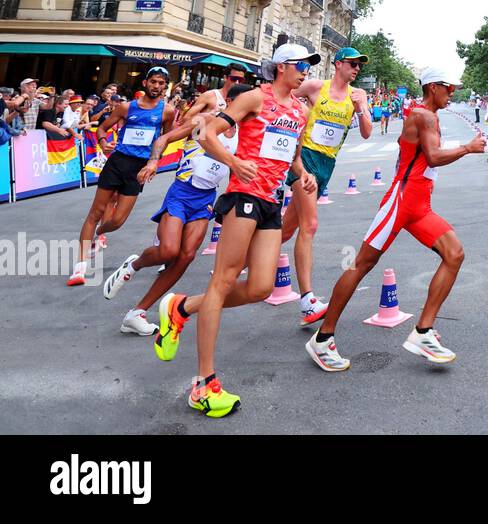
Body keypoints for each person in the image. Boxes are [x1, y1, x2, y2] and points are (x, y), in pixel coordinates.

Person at [152, 44, 316, 418]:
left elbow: (290, 154)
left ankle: (181, 307)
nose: (306, 71)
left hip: (272, 202)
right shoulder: (254, 98)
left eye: (308, 66)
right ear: (281, 67)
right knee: (223, 281)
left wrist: (302, 175)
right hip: (243, 196)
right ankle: (204, 384)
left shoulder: (299, 110)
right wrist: (234, 161)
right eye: (301, 65)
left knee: (260, 286)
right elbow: (205, 132)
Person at [306, 67, 485, 372]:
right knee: (362, 263)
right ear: (432, 87)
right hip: (401, 201)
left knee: (454, 254)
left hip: (419, 205)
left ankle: (424, 332)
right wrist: (468, 148)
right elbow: (433, 157)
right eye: (448, 88)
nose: (452, 93)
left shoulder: (431, 114)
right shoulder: (424, 115)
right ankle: (322, 339)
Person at [102, 75, 254, 335]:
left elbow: (233, 169)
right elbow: (163, 140)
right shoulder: (204, 122)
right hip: (181, 194)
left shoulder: (242, 133)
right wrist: (152, 163)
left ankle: (137, 312)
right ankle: (134, 265)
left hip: (205, 199)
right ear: (229, 102)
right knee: (169, 251)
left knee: (186, 256)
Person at [283, 47, 372, 326]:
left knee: (287, 228)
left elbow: (367, 131)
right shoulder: (314, 86)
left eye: (359, 66)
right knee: (310, 225)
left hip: (327, 164)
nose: (356, 69)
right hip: (305, 157)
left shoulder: (358, 95)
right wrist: (303, 112)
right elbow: (283, 99)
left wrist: (361, 109)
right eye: (352, 63)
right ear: (338, 64)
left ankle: (241, 260)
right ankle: (307, 300)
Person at [67, 67, 177, 286]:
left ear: (165, 87)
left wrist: (154, 161)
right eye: (153, 82)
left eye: (161, 83)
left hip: (138, 168)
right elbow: (102, 128)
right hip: (118, 161)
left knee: (117, 221)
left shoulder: (167, 112)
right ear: (145, 83)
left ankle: (98, 234)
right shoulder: (127, 107)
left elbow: (165, 138)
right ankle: (79, 269)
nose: (156, 86)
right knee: (95, 212)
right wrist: (103, 142)